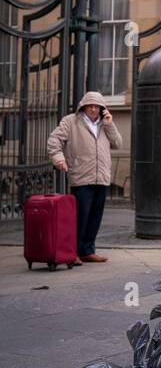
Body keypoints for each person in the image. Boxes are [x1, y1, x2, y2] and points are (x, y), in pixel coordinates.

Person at [47, 91, 122, 264]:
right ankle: (71, 252)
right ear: (84, 106)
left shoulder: (105, 123)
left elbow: (118, 143)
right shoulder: (70, 121)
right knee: (79, 216)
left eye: (98, 107)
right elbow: (54, 140)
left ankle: (87, 250)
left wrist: (109, 124)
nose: (94, 110)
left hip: (101, 176)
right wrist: (59, 159)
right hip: (81, 175)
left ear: (103, 108)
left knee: (95, 216)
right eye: (91, 106)